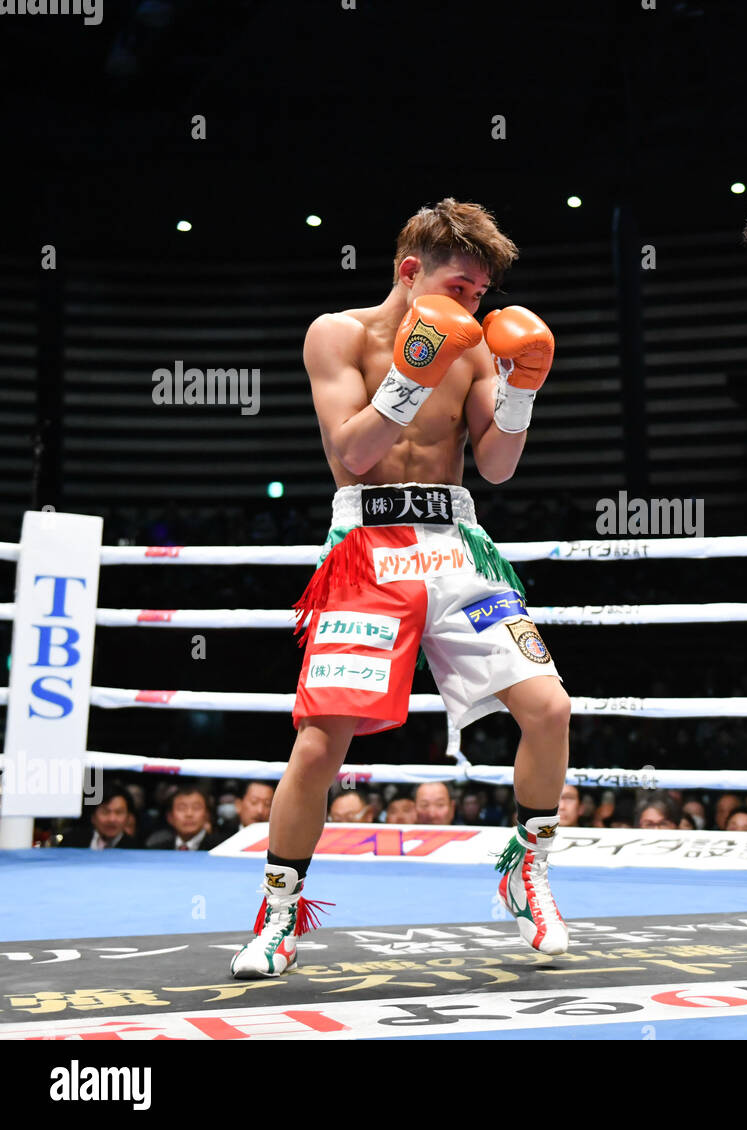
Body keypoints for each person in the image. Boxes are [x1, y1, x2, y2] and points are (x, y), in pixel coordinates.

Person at [231, 200, 571, 978]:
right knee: (321, 743)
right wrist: (414, 371)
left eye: (482, 292)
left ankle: (527, 867)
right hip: (367, 549)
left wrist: (520, 390)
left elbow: (497, 466)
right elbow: (353, 453)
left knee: (550, 707)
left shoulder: (479, 349)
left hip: (458, 547)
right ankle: (279, 916)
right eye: (461, 286)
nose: (474, 304)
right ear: (410, 270)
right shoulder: (338, 334)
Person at [58, 787, 139, 849]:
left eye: (119, 812)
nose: (112, 819)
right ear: (92, 816)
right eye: (105, 812)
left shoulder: (137, 848)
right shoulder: (71, 842)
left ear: (128, 817)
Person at [146, 786, 223, 851]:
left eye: (196, 808)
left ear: (207, 815)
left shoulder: (221, 849)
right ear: (170, 817)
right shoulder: (157, 850)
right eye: (181, 808)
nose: (189, 814)